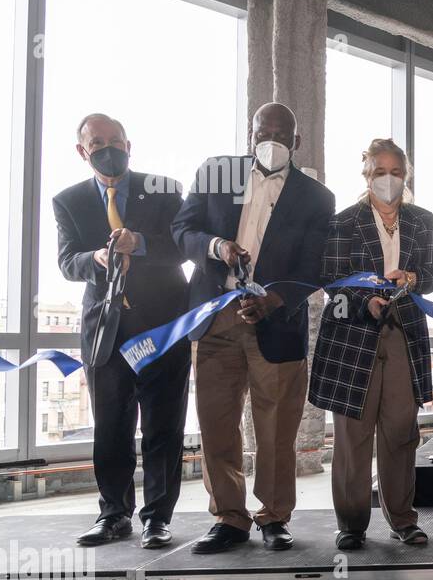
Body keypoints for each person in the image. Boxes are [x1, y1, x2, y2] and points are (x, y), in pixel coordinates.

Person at [172, 102, 335, 554]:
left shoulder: (317, 197)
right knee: (216, 422)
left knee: (277, 426)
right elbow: (182, 231)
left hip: (277, 320)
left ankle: (275, 516)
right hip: (215, 316)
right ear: (250, 132)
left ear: (296, 142)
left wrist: (275, 300)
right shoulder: (214, 173)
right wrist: (215, 245)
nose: (273, 141)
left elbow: (314, 266)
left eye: (283, 135)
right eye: (264, 132)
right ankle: (229, 517)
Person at [54, 114, 190, 548]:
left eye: (115, 140)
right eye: (97, 142)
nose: (108, 147)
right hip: (106, 333)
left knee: (162, 426)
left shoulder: (164, 190)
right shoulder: (68, 201)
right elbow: (67, 262)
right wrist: (96, 259)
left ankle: (157, 519)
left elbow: (181, 248)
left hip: (163, 328)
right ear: (82, 150)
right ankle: (113, 515)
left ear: (130, 145)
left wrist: (142, 245)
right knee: (110, 427)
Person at [309, 139, 433, 549]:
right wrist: (363, 299)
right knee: (353, 436)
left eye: (396, 171)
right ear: (366, 174)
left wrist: (414, 279)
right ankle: (351, 524)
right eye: (379, 171)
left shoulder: (423, 220)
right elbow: (330, 279)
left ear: (406, 175)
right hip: (353, 338)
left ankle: (403, 519)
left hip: (403, 334)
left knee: (401, 432)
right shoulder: (342, 222)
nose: (389, 179)